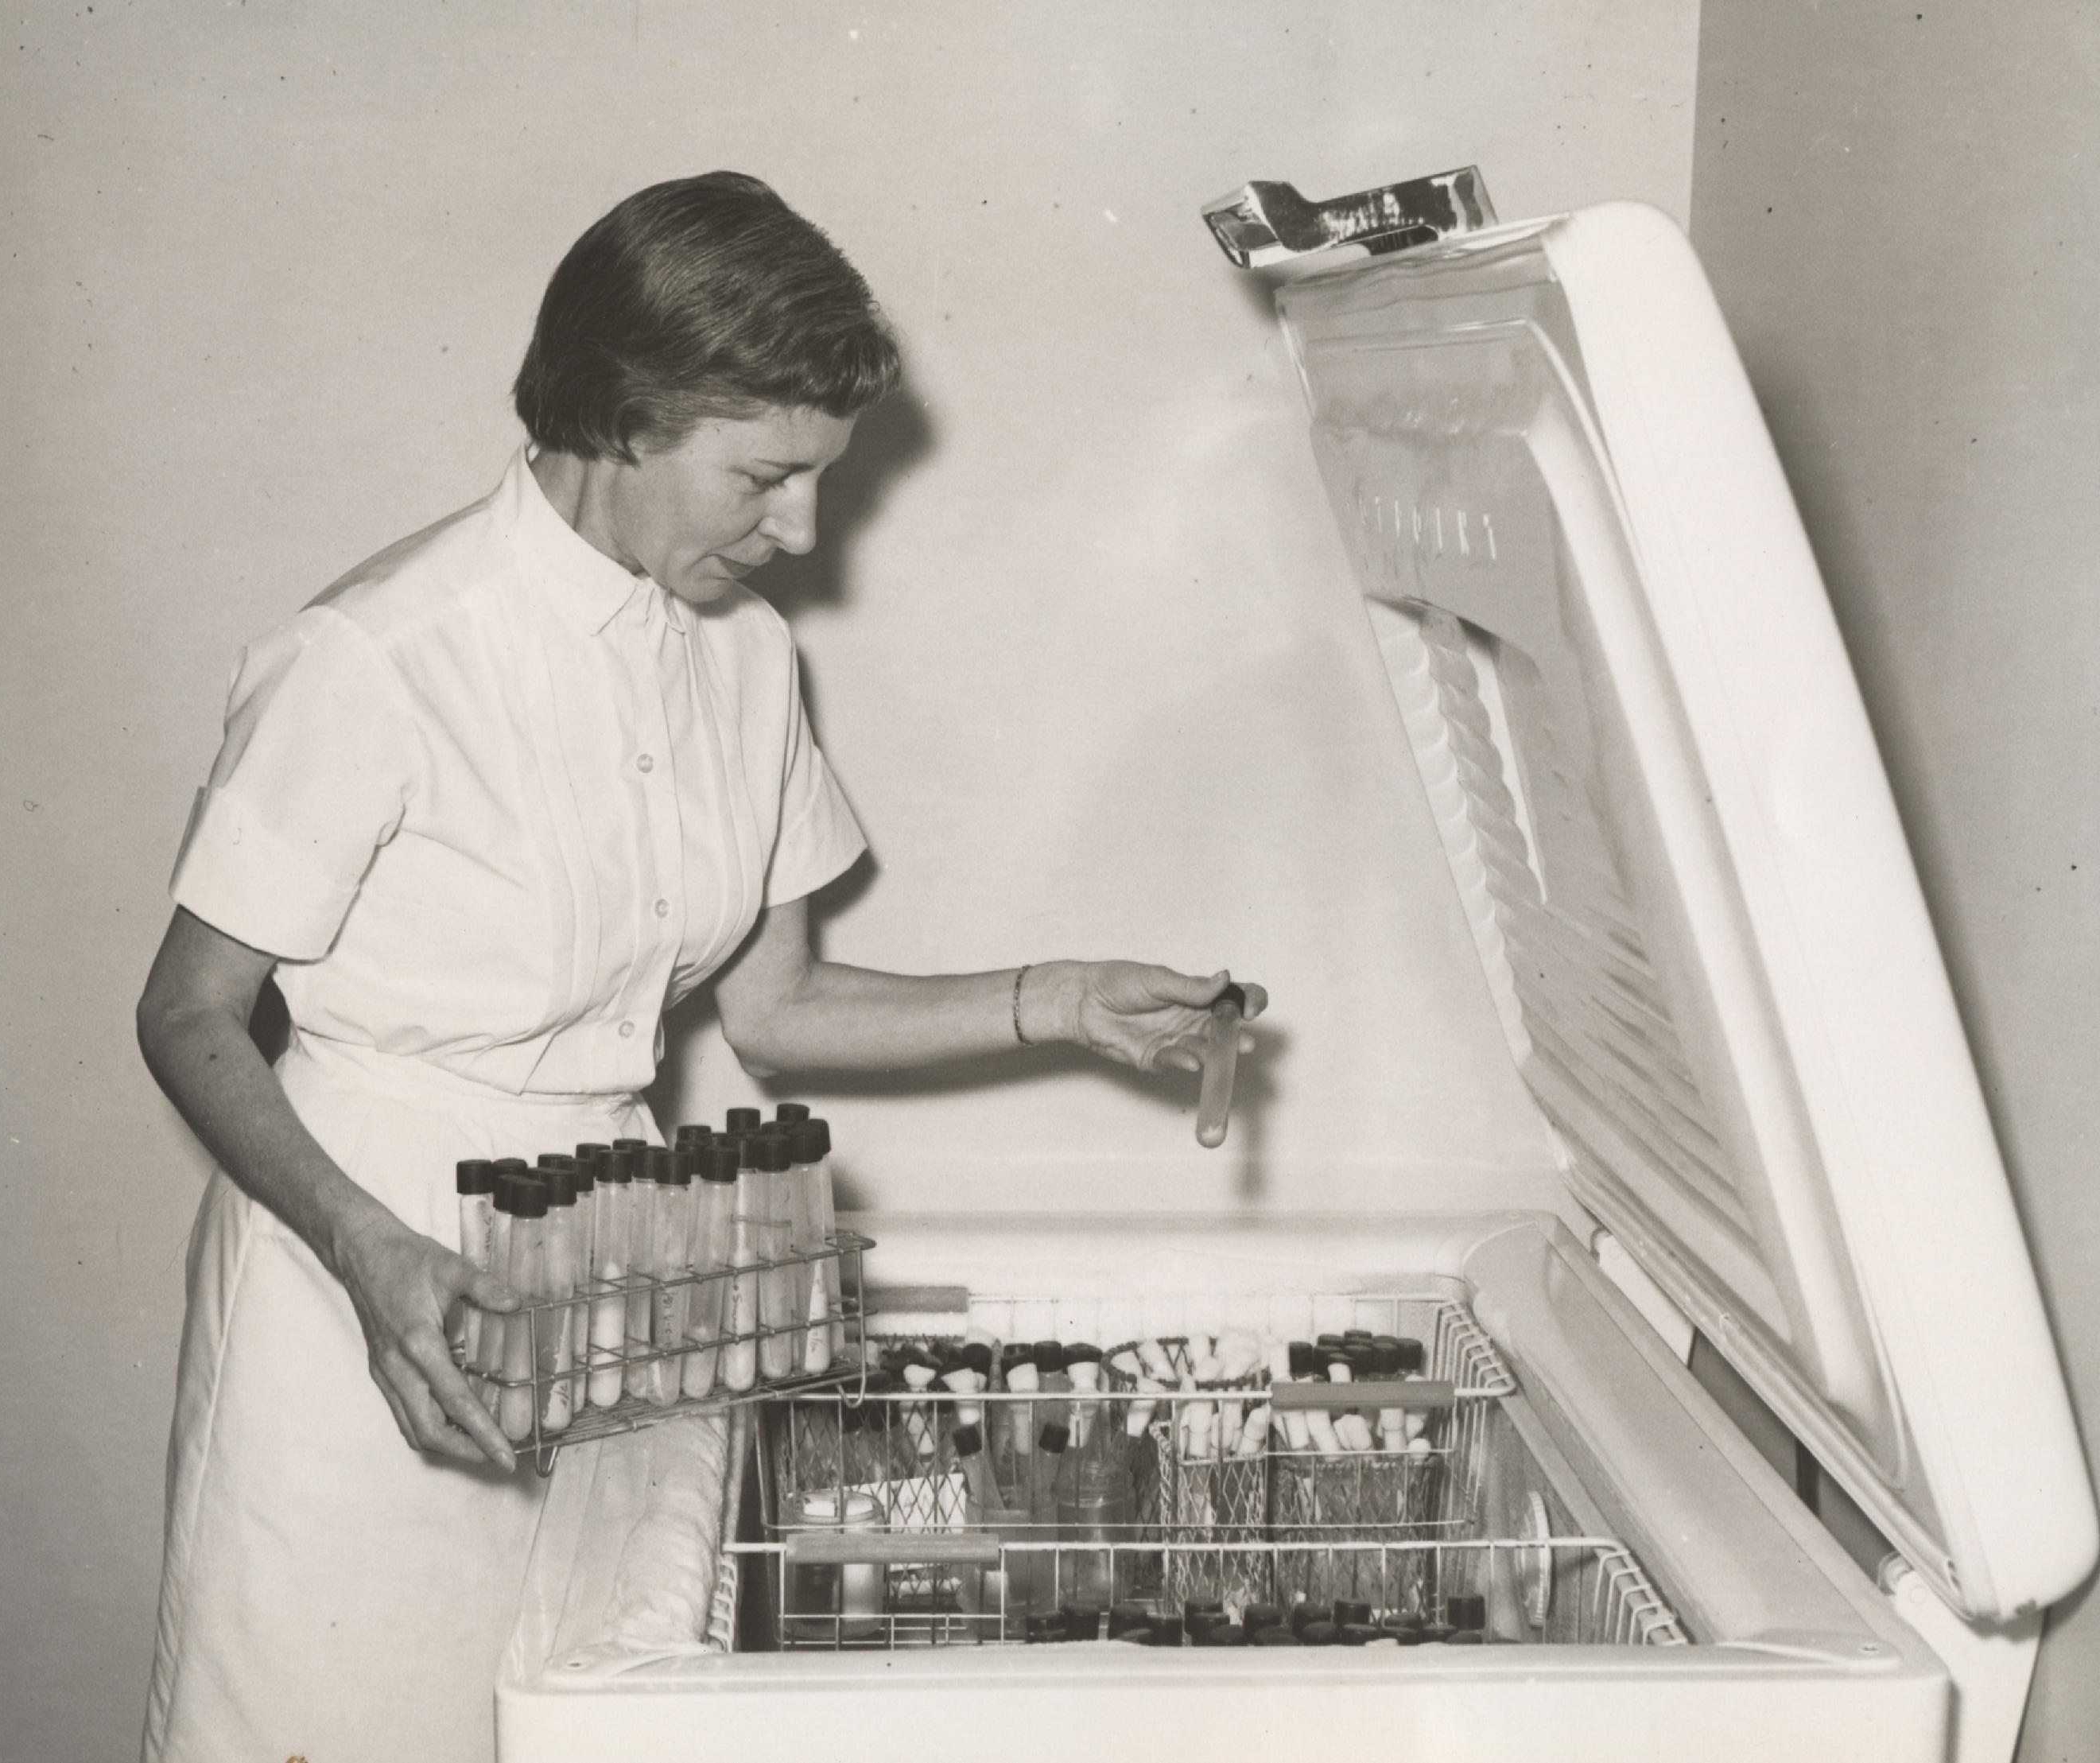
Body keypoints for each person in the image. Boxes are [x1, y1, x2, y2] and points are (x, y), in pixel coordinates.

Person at [134, 170, 1263, 1763]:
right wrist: (365, 1250)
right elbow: (188, 1010)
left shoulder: (744, 655)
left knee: (559, 1712)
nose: (801, 530)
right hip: (357, 1277)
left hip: (603, 1266)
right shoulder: (381, 655)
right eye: (765, 477)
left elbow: (778, 1010)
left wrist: (1062, 998)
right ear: (624, 417)